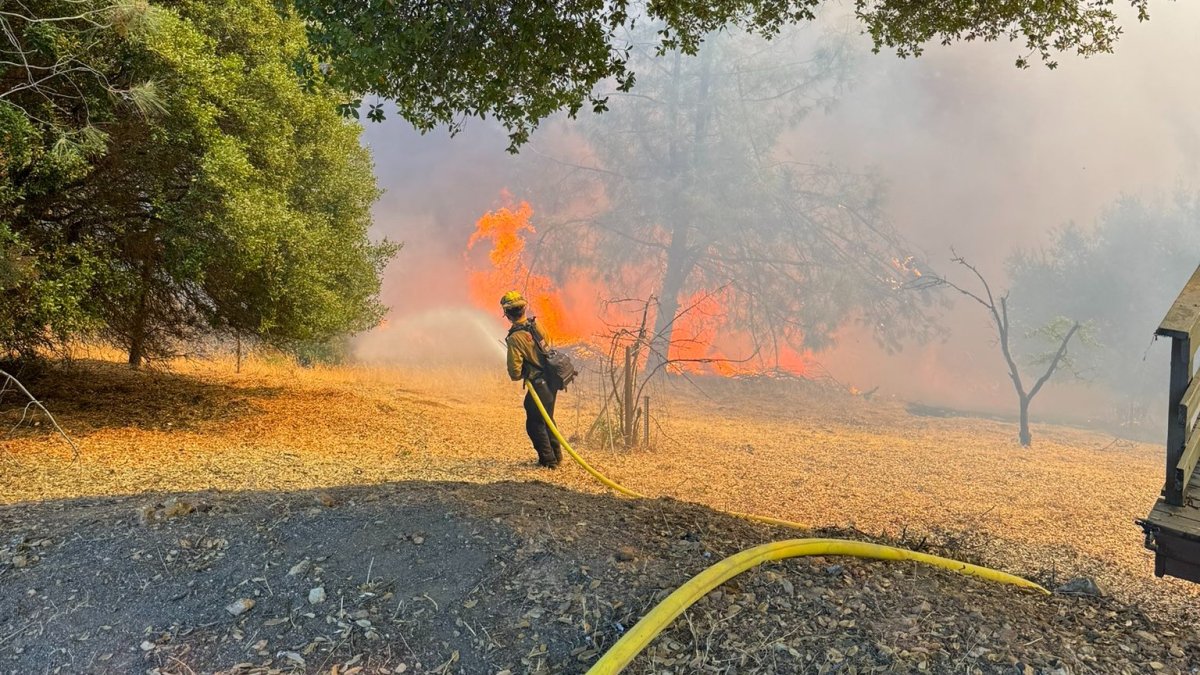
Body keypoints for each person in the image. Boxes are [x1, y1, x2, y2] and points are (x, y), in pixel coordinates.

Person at [501, 291, 563, 468]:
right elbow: (548, 346)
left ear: (507, 314)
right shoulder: (537, 325)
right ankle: (557, 456)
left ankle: (548, 461)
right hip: (552, 380)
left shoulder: (514, 338)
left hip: (538, 384)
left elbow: (514, 372)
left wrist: (525, 369)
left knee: (535, 424)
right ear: (523, 309)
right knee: (547, 419)